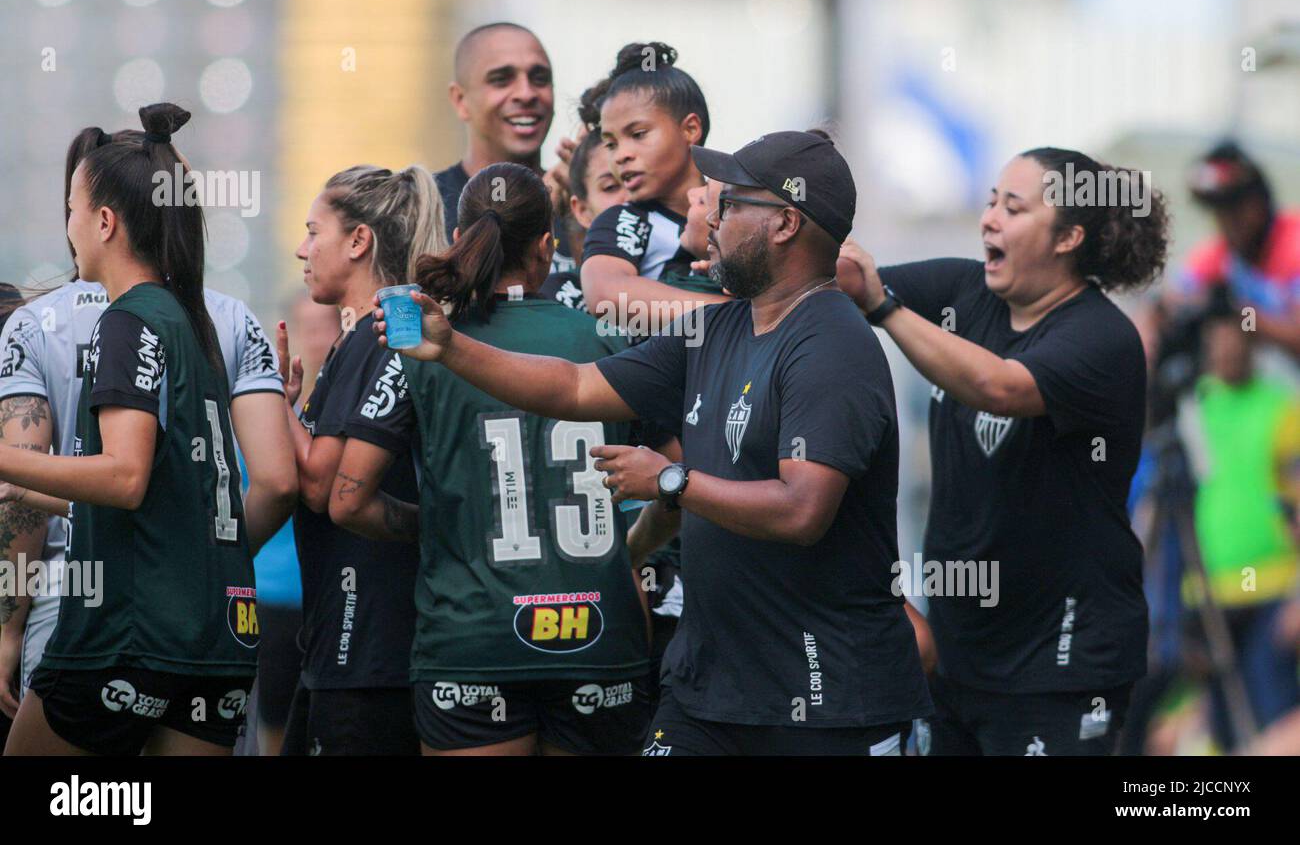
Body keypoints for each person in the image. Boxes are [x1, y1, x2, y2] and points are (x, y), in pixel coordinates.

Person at [375, 132, 932, 756]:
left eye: (728, 203)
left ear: (784, 224)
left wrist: (670, 481)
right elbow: (576, 387)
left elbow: (802, 511)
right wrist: (450, 347)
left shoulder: (832, 342)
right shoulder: (715, 325)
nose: (709, 216)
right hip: (709, 693)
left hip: (823, 702)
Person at [838, 146, 1169, 755]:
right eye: (991, 201)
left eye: (1012, 208)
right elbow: (838, 291)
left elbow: (999, 386)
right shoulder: (963, 291)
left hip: (1062, 664)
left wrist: (884, 307)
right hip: (960, 655)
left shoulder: (1101, 337)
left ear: (1069, 236)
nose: (989, 218)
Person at [332, 164, 651, 755]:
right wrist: (625, 552)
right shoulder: (608, 339)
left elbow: (347, 501)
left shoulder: (422, 345)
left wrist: (440, 522)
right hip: (599, 636)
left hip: (471, 643)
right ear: (546, 249)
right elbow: (679, 482)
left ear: (459, 241)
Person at [0, 124, 296, 739]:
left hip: (125, 635)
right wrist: (25, 487)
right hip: (218, 636)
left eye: (74, 209)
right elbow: (170, 490)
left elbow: (125, 477)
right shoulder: (204, 322)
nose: (71, 225)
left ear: (105, 222)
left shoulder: (127, 320)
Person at [276, 163, 446, 756]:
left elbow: (323, 485)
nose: (303, 248)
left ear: (358, 241)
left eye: (313, 231)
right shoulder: (366, 332)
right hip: (345, 644)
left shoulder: (382, 329)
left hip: (368, 645)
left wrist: (267, 400)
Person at [1179, 303, 1300, 749]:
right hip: (1210, 591)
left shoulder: (1282, 408)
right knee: (1221, 729)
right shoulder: (1192, 407)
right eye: (1216, 339)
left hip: (1272, 589)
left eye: (1235, 337)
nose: (1225, 349)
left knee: (1273, 719)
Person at [579, 41, 727, 323]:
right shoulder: (623, 220)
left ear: (690, 129)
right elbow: (606, 294)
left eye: (637, 134)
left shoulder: (738, 207)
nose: (621, 156)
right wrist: (733, 317)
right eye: (611, 144)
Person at [249, 294, 338, 755]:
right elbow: (259, 486)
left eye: (327, 325)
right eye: (309, 327)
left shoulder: (351, 402)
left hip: (332, 596)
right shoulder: (267, 408)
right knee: (277, 723)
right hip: (277, 595)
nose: (319, 337)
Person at [438, 22, 577, 269]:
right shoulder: (427, 207)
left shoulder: (585, 204)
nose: (526, 94)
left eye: (540, 78)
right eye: (501, 80)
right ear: (460, 100)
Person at [1175, 141, 1300, 365]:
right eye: (1218, 212)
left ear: (1259, 203)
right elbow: (1174, 298)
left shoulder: (1294, 245)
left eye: (1233, 209)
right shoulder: (1222, 252)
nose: (1226, 222)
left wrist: (1242, 314)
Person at [541, 132, 627, 312]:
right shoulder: (555, 295)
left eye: (634, 179)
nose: (628, 196)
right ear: (581, 210)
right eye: (610, 187)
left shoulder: (693, 268)